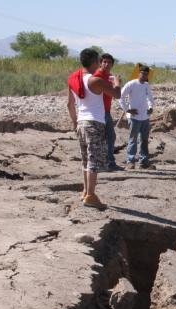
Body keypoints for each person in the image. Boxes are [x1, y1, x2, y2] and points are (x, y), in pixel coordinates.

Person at [67, 48, 121, 210]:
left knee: (85, 159)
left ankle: (85, 191)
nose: (100, 63)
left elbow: (70, 104)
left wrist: (75, 122)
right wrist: (117, 83)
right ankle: (90, 195)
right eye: (98, 60)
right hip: (94, 123)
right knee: (94, 161)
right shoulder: (94, 80)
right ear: (94, 62)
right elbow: (116, 94)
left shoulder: (73, 79)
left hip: (81, 123)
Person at [119, 65, 155, 169]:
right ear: (139, 73)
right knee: (133, 139)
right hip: (134, 117)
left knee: (144, 139)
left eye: (146, 74)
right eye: (142, 73)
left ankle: (143, 161)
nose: (144, 76)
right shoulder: (131, 84)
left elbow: (150, 98)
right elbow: (120, 97)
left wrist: (150, 107)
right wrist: (127, 109)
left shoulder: (146, 85)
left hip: (145, 117)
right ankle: (130, 161)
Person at [93, 53, 122, 171]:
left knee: (110, 137)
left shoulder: (110, 77)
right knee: (101, 138)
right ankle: (103, 163)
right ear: (100, 63)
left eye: (109, 62)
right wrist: (117, 84)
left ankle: (108, 162)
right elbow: (116, 94)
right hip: (98, 112)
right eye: (104, 62)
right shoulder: (97, 76)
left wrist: (116, 83)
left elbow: (115, 95)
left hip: (106, 111)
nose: (106, 64)